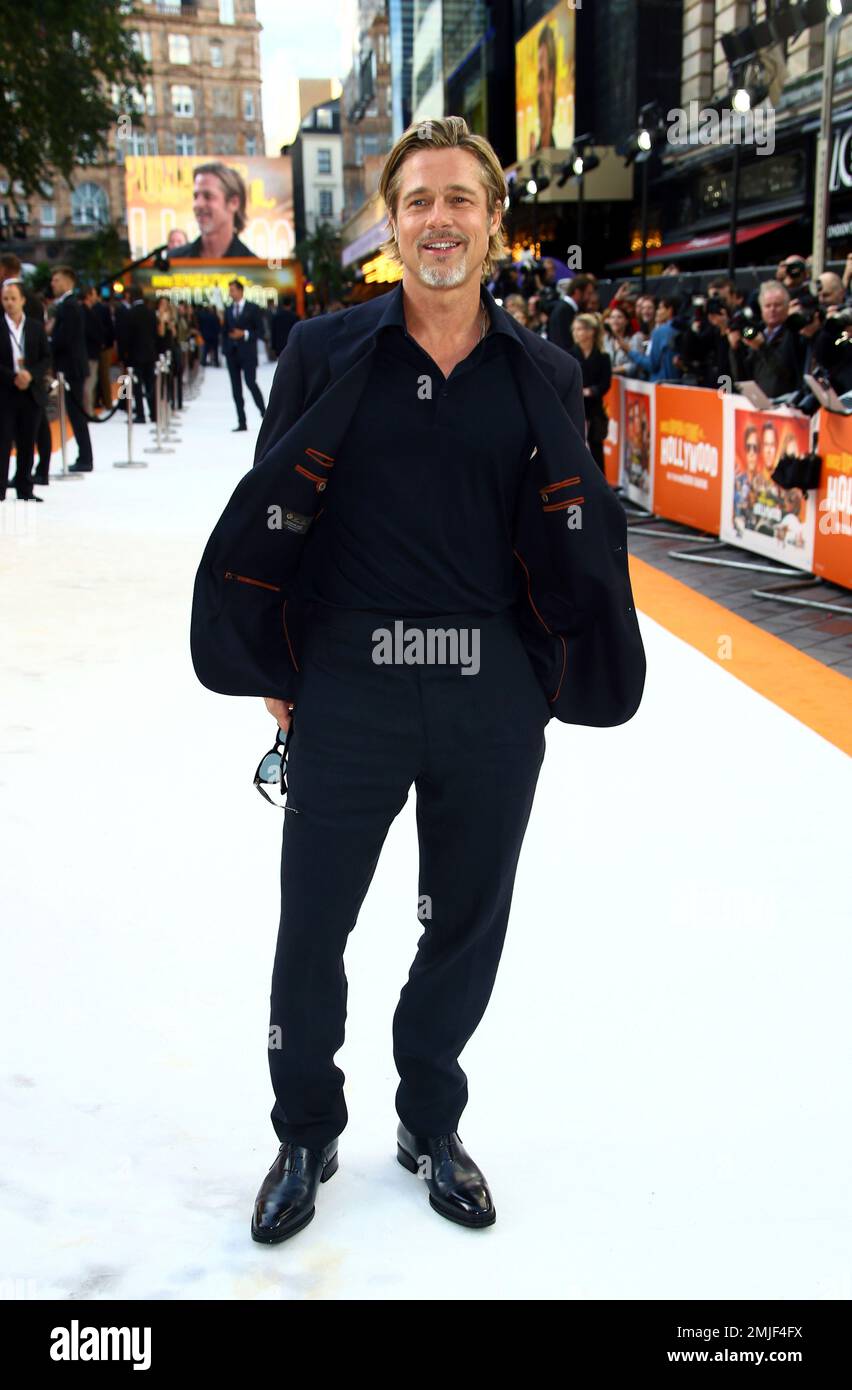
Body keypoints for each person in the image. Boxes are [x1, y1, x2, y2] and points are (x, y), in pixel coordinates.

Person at [189, 115, 645, 1246]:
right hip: (350, 684)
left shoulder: (543, 368)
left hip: (490, 692)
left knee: (465, 924)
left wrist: (535, 671)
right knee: (313, 930)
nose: (439, 220)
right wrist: (279, 662)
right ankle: (306, 1129)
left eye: (459, 200)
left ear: (495, 219)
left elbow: (569, 522)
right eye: (418, 201)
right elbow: (271, 513)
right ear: (390, 224)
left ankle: (429, 1121)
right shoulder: (324, 351)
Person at [0, 279, 51, 501]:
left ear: (22, 300)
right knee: (2, 441)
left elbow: (46, 357)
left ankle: (25, 487)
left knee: (27, 441)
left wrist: (30, 375)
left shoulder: (35, 327)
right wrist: (14, 377)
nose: (9, 303)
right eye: (5, 299)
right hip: (5, 391)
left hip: (31, 392)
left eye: (13, 298)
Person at [46, 266, 93, 472]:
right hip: (72, 367)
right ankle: (84, 456)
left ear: (67, 281)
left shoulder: (69, 306)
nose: (52, 284)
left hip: (71, 368)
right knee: (75, 414)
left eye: (56, 280)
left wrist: (46, 346)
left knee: (76, 415)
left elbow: (64, 338)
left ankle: (85, 458)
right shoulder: (69, 305)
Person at [726, 279, 804, 399]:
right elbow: (742, 378)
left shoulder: (793, 332)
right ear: (761, 309)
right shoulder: (757, 332)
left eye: (777, 305)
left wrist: (762, 347)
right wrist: (735, 349)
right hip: (759, 403)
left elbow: (786, 373)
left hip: (785, 403)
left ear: (787, 307)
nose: (772, 310)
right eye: (767, 306)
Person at [168, 163, 256, 260]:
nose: (198, 204)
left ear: (233, 203)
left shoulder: (253, 268)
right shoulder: (174, 261)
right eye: (195, 196)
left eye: (208, 196)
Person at [570, 312, 612, 471]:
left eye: (580, 328)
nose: (576, 332)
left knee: (596, 446)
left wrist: (591, 391)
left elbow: (605, 383)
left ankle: (600, 486)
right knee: (575, 445)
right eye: (575, 329)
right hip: (575, 405)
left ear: (591, 331)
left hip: (594, 407)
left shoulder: (603, 356)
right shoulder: (570, 354)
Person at [222, 278, 266, 431]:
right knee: (236, 389)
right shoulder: (228, 310)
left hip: (247, 353)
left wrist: (244, 334)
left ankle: (265, 415)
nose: (230, 293)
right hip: (232, 354)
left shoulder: (253, 308)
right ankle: (242, 421)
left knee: (250, 383)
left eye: (232, 290)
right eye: (229, 290)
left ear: (240, 291)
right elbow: (225, 331)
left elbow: (260, 331)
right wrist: (226, 348)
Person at [117, 285, 158, 424]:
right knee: (150, 384)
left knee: (137, 386)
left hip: (135, 356)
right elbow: (155, 334)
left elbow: (125, 337)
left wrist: (122, 355)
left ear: (130, 296)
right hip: (150, 354)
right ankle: (154, 414)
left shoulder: (129, 314)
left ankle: (140, 414)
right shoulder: (151, 312)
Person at [546, 273, 596, 351]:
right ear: (577, 292)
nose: (590, 298)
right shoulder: (563, 311)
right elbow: (562, 344)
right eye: (588, 293)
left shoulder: (567, 309)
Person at [270, 293, 300, 358]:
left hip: (280, 346)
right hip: (292, 345)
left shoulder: (276, 317)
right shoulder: (294, 317)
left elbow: (273, 332)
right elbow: (297, 332)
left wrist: (273, 346)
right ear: (290, 304)